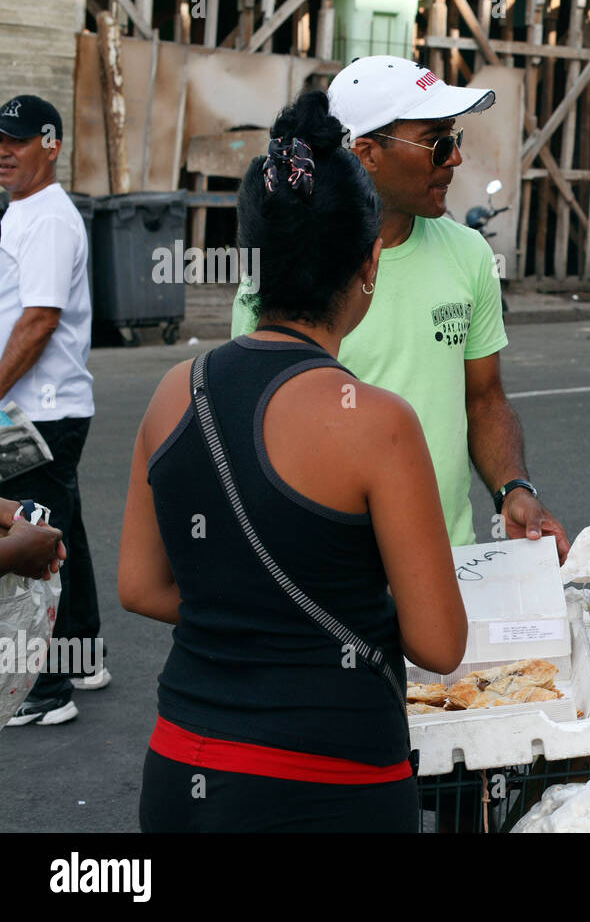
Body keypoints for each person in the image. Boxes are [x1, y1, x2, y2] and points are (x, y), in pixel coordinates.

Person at [119, 92, 468, 832]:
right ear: (369, 260)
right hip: (330, 785)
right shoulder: (379, 425)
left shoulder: (173, 392)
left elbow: (139, 586)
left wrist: (248, 614)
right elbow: (440, 644)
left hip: (182, 769)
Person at [231, 57, 568, 561]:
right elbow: (255, 429)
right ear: (366, 153)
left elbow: (483, 398)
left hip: (448, 562)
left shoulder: (470, 253)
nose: (453, 158)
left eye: (453, 139)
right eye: (437, 143)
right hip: (332, 576)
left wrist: (513, 489)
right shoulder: (292, 275)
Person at [0, 93, 102, 727]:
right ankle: (83, 655)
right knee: (63, 527)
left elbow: (38, 321)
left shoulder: (48, 219)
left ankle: (47, 687)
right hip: (39, 408)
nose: (3, 151)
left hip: (37, 410)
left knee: (32, 545)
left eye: (16, 140)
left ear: (52, 143)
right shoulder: (24, 212)